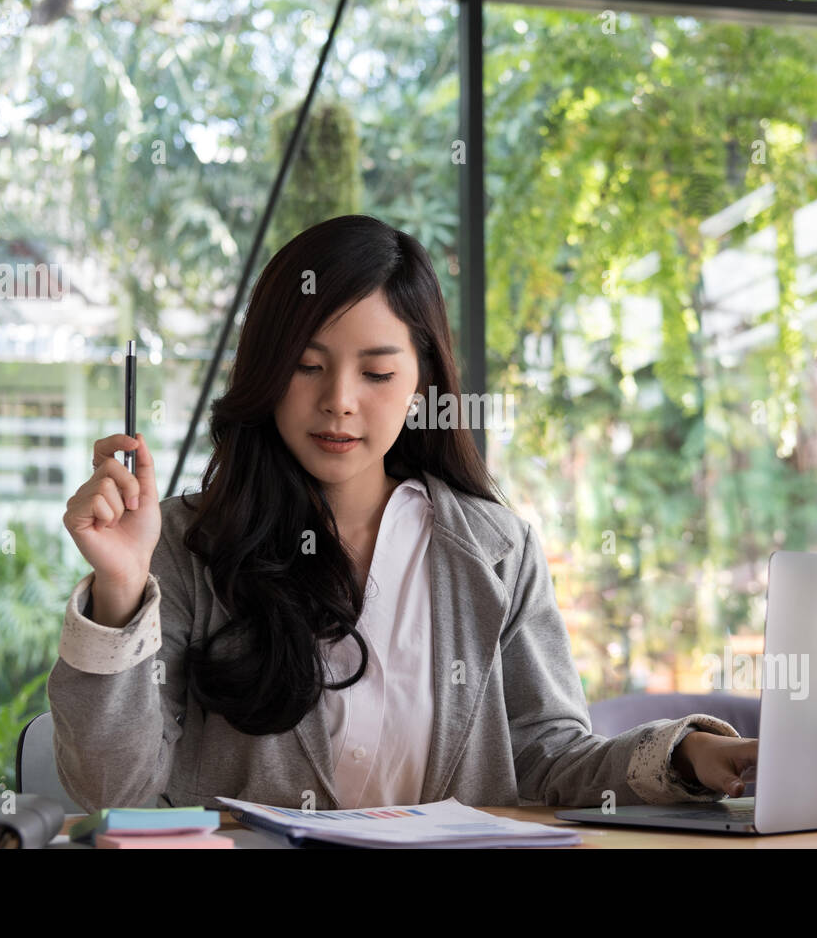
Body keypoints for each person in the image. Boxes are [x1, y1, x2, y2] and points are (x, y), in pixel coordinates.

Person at [50, 214, 757, 812]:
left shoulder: (496, 549)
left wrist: (682, 754)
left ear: (422, 381)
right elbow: (113, 796)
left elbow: (549, 759)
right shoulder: (183, 545)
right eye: (307, 365)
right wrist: (119, 590)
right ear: (266, 373)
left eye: (378, 372)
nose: (340, 400)